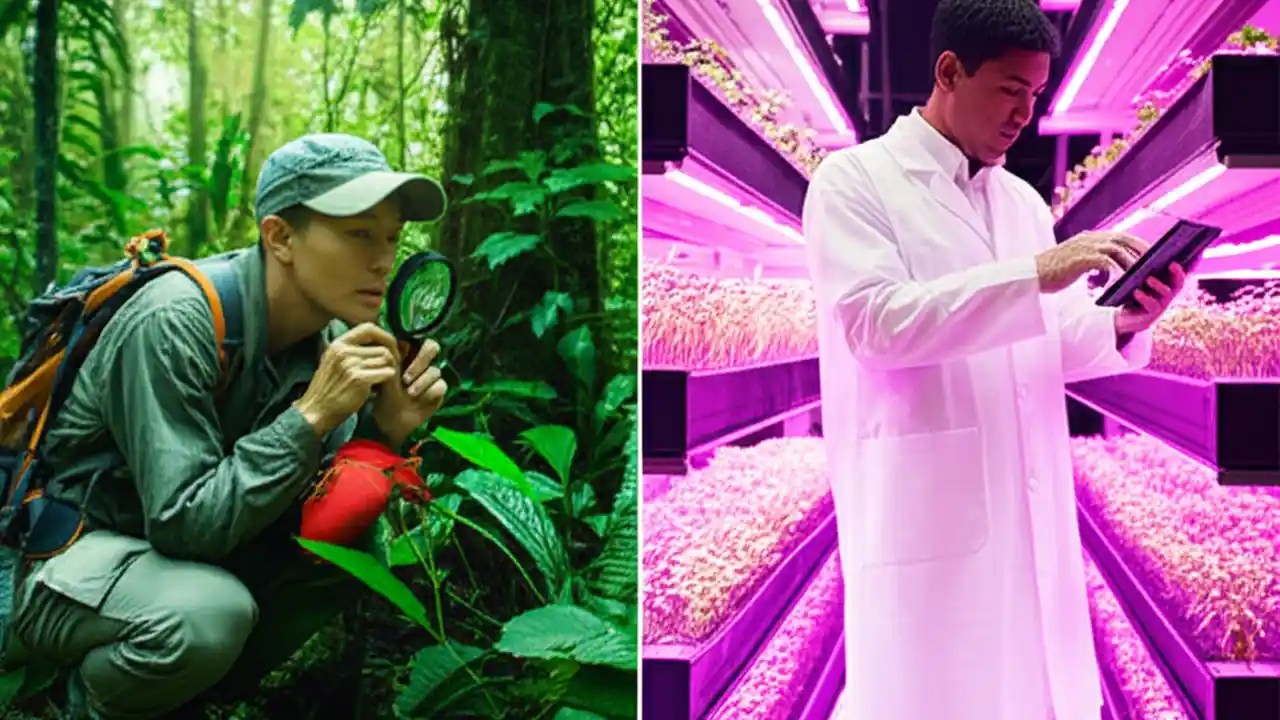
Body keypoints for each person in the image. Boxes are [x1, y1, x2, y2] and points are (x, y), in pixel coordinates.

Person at [802, 2, 1186, 719]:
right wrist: (1035, 274)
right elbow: (877, 324)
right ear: (949, 71)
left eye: (1036, 95)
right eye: (1010, 90)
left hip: (1027, 503)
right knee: (935, 692)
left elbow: (1046, 338)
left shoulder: (1019, 201)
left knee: (1034, 691)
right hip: (928, 519)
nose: (1025, 114)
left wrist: (1126, 321)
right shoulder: (853, 183)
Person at [0, 133, 451, 719]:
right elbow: (185, 525)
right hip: (49, 567)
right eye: (359, 233)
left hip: (147, 573)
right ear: (280, 237)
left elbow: (317, 509)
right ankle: (62, 706)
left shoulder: (324, 347)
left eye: (391, 238)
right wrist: (310, 415)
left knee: (352, 549)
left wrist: (382, 434)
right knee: (209, 614)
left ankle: (183, 694)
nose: (384, 261)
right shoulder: (176, 319)